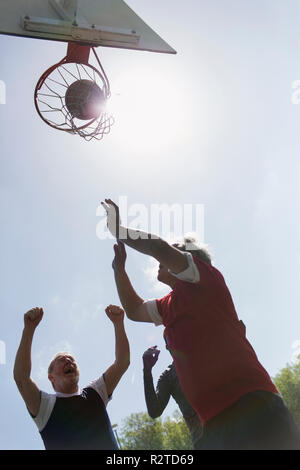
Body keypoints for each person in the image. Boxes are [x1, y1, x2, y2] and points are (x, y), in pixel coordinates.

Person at [101, 198, 300, 450]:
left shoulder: (204, 279)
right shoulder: (167, 306)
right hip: (214, 427)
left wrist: (118, 230)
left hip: (253, 405)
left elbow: (155, 246)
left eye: (175, 250)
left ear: (191, 259)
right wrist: (119, 270)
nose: (163, 258)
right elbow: (134, 310)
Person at [13, 304, 130, 450]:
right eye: (61, 359)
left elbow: (122, 363)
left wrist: (119, 323)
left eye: (71, 360)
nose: (68, 361)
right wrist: (29, 329)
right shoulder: (45, 407)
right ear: (51, 377)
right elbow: (21, 378)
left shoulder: (96, 392)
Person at [143, 345, 202, 449]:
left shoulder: (203, 353)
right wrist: (147, 372)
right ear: (168, 347)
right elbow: (154, 410)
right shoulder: (168, 376)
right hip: (203, 437)